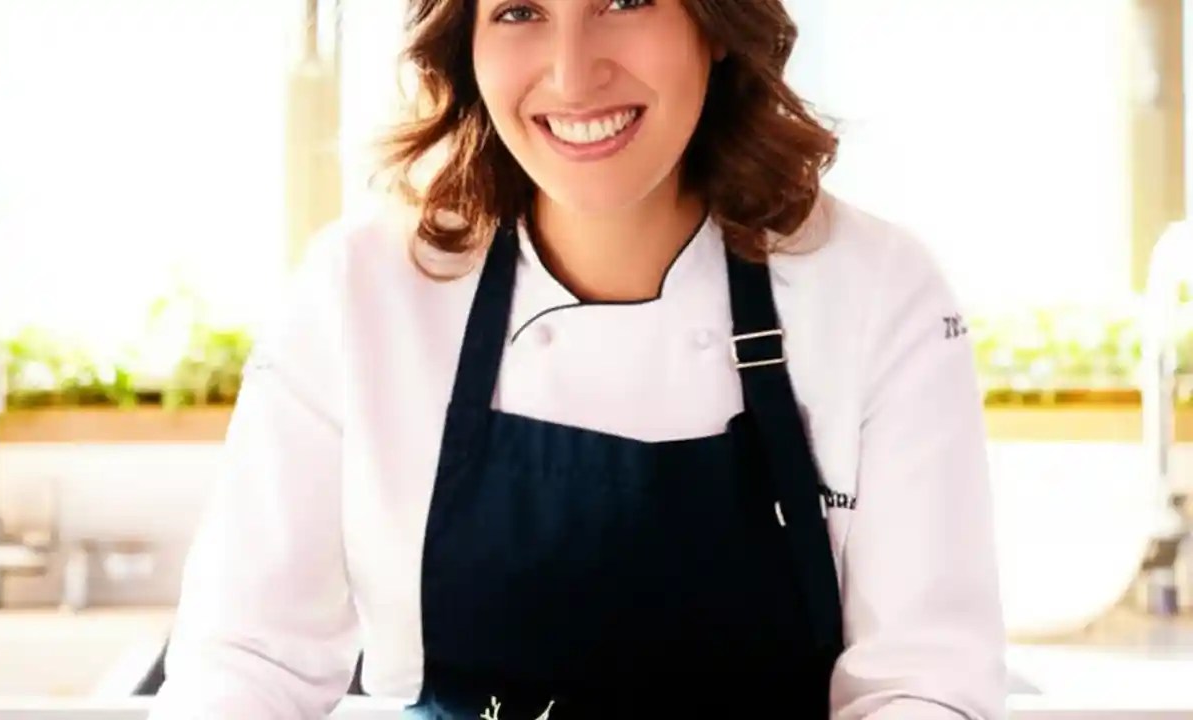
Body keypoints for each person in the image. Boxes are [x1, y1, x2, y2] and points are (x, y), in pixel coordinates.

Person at [150, 0, 1007, 717]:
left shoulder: (874, 289)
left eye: (625, 0)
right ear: (466, 42)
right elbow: (247, 657)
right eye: (519, 11)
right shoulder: (362, 290)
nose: (571, 72)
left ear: (714, 25)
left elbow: (923, 683)